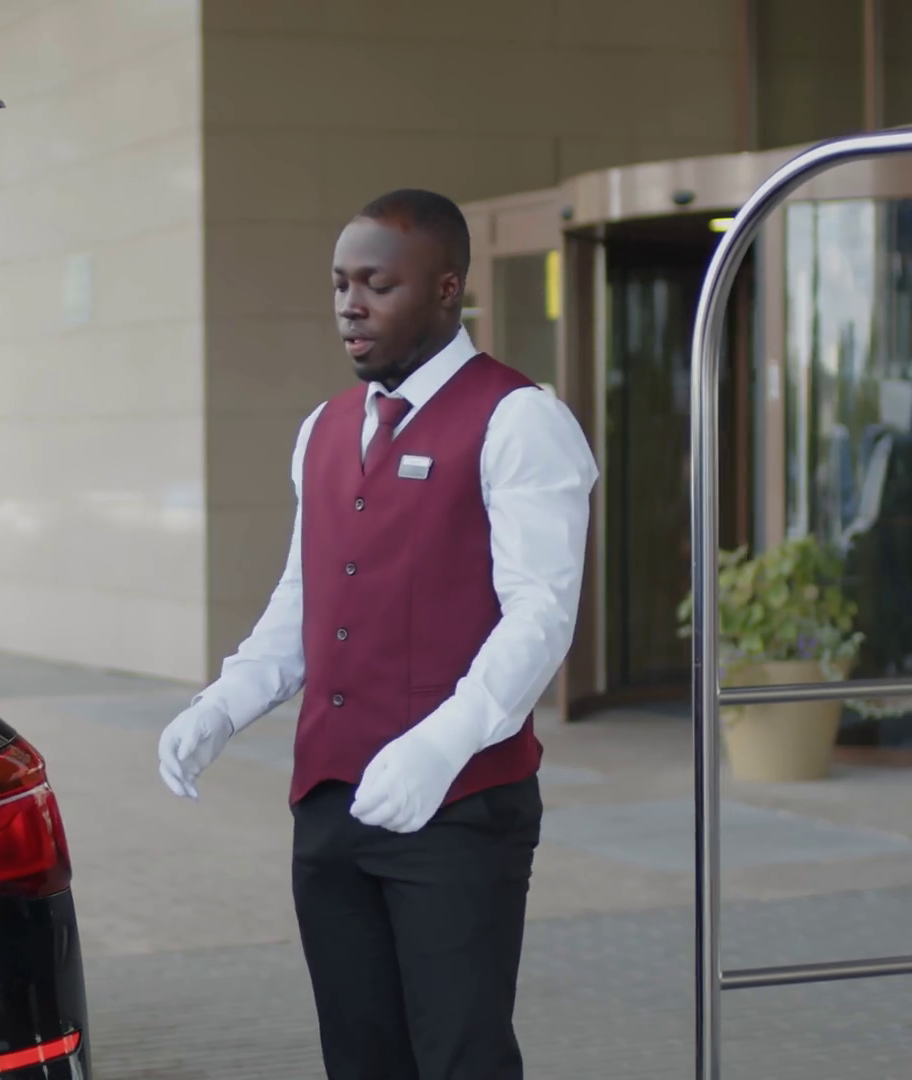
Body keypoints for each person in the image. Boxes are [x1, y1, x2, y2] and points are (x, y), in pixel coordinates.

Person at [157, 190, 598, 1080]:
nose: (350, 305)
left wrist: (442, 744)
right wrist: (223, 704)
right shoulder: (322, 429)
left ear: (447, 288)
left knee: (462, 1061)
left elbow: (541, 618)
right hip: (329, 804)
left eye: (376, 285)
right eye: (340, 284)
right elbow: (302, 601)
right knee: (359, 1061)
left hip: (459, 808)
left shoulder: (520, 419)